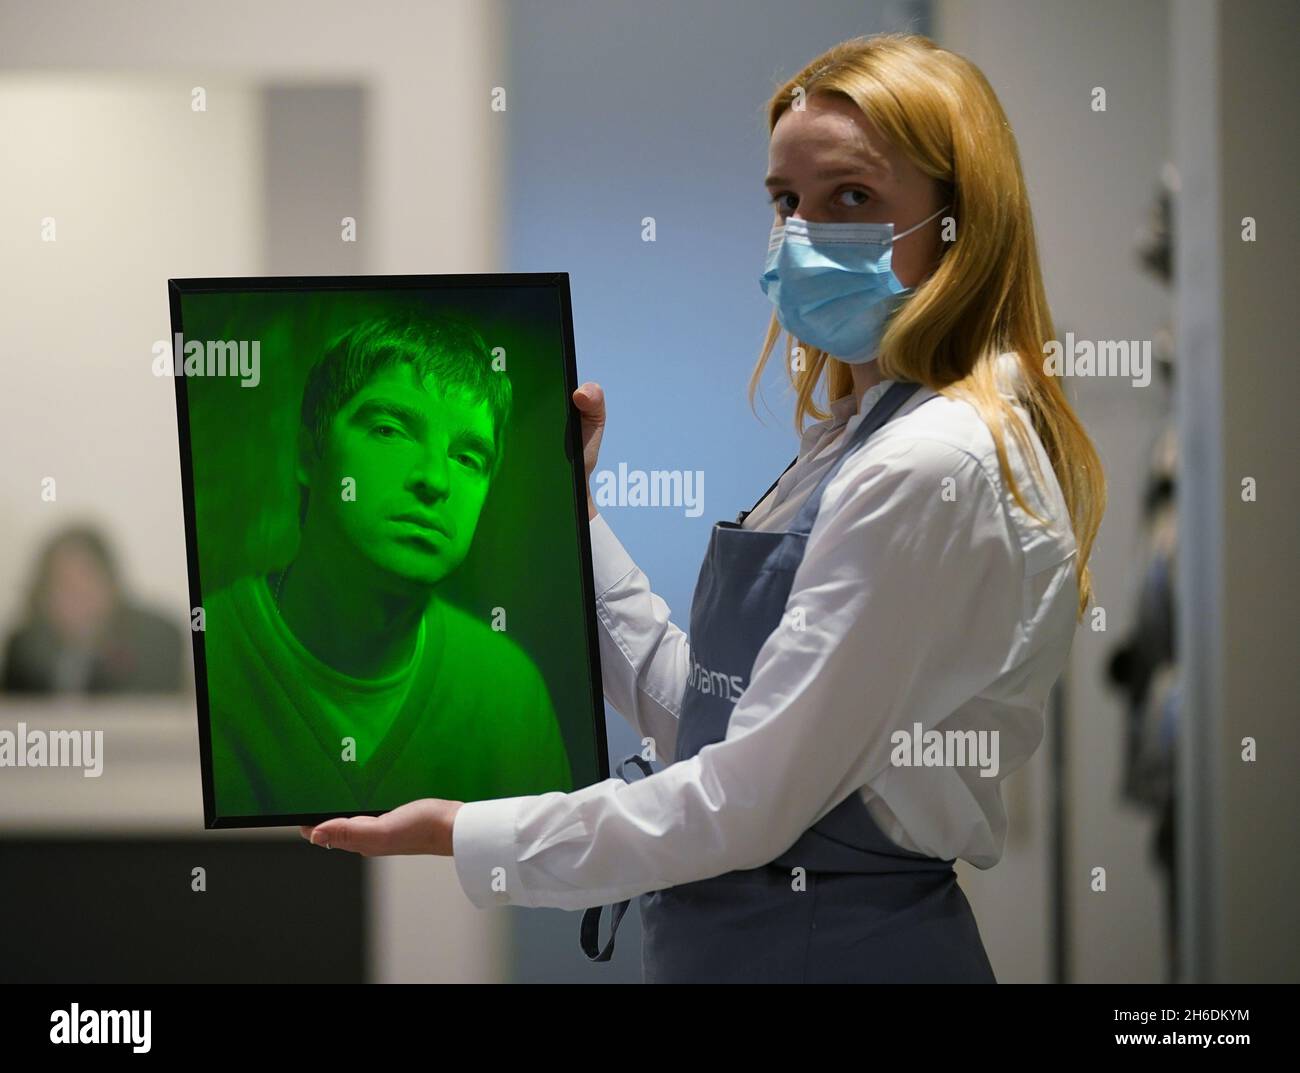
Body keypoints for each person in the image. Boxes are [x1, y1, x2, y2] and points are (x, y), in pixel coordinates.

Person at [298, 33, 1106, 984]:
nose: (802, 234)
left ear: (961, 222)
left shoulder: (930, 465)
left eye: (852, 198)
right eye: (785, 201)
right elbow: (715, 720)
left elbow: (742, 798)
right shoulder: (857, 443)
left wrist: (469, 832)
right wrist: (572, 520)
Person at [203, 312, 572, 817]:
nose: (435, 480)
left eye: (468, 458)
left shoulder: (511, 693)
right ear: (309, 454)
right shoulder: (208, 658)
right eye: (390, 430)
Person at [2, 524, 185, 695]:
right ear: (43, 597)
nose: (78, 597)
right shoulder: (23, 649)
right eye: (64, 585)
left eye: (87, 582)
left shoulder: (157, 640)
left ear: (112, 586)